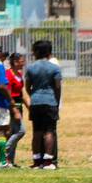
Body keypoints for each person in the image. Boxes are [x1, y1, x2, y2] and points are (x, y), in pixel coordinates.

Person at [25, 39, 63, 170]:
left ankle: (36, 160)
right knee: (49, 131)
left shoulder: (31, 68)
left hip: (35, 102)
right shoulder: (54, 68)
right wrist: (56, 102)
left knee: (37, 131)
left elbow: (27, 86)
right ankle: (48, 161)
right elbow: (57, 87)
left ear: (36, 52)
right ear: (49, 52)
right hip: (50, 101)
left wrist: (34, 96)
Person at [2, 52, 27, 168]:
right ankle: (4, 151)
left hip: (19, 105)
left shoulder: (19, 74)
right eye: (22, 61)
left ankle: (9, 161)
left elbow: (21, 93)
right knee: (21, 131)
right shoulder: (8, 74)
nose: (23, 63)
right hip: (11, 106)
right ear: (15, 62)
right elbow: (8, 92)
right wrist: (14, 109)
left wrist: (27, 106)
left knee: (13, 133)